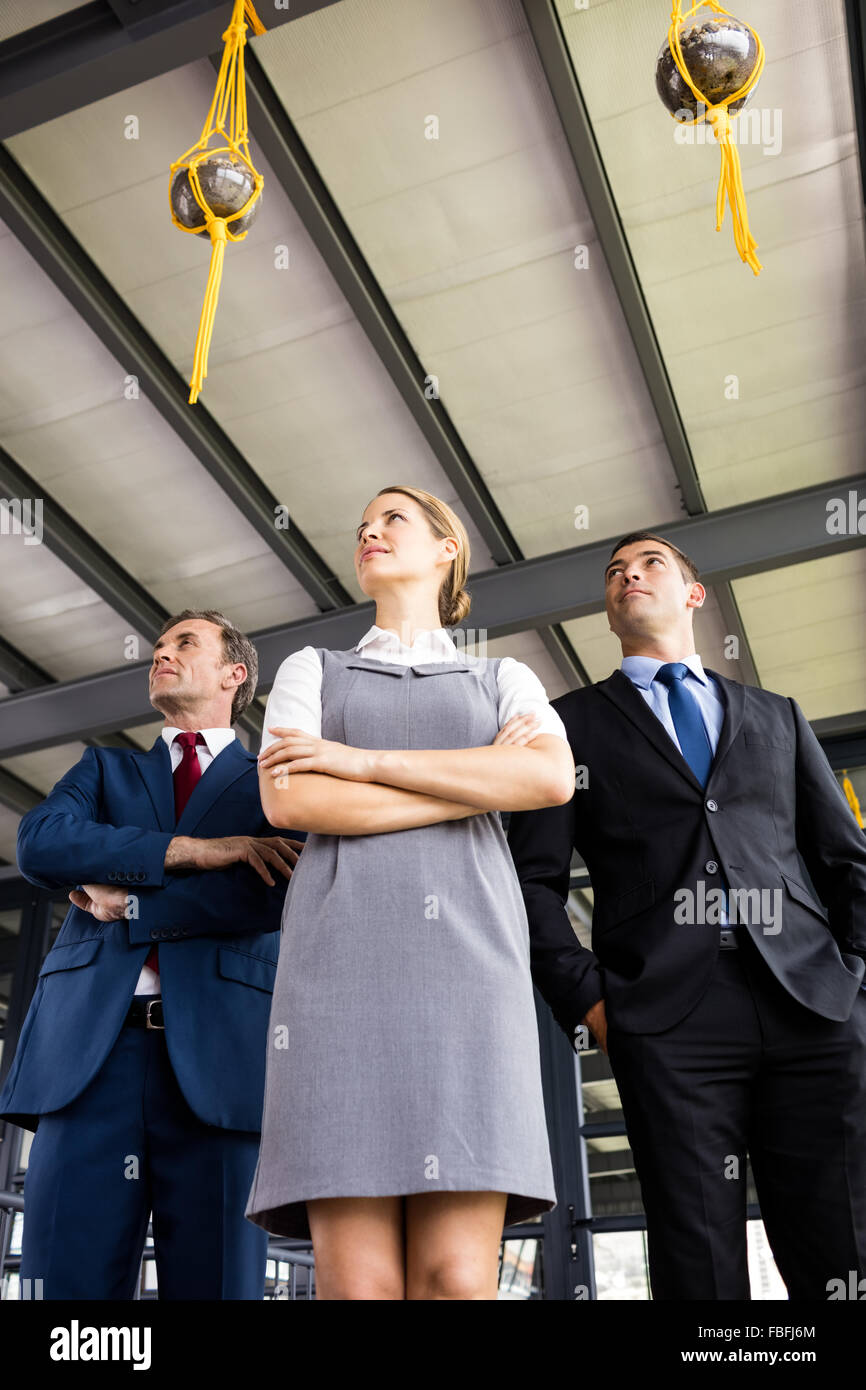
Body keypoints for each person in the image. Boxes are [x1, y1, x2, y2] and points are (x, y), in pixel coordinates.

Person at [507, 531, 866, 1301]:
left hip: (813, 1005)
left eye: (649, 565)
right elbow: (530, 881)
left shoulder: (778, 715)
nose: (628, 576)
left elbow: (846, 862)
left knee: (843, 1243)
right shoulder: (566, 724)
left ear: (694, 593)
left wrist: (857, 980)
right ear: (609, 612)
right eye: (614, 573)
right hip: (667, 1017)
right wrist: (592, 1002)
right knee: (697, 1256)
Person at [243, 485, 575, 1300]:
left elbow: (549, 777)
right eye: (361, 525)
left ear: (444, 549)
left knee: (458, 1280)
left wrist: (359, 760)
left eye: (393, 519)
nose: (369, 530)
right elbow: (291, 801)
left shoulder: (505, 674)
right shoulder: (307, 670)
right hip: (337, 977)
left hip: (472, 978)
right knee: (357, 1287)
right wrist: (479, 783)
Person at [0, 611, 304, 1299]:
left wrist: (127, 898)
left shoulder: (273, 780)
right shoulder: (104, 769)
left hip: (223, 1064)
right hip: (86, 1062)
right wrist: (201, 852)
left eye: (183, 644)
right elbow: (41, 846)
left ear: (236, 674)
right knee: (64, 1295)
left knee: (218, 1285)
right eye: (158, 646)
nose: (160, 654)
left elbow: (275, 893)